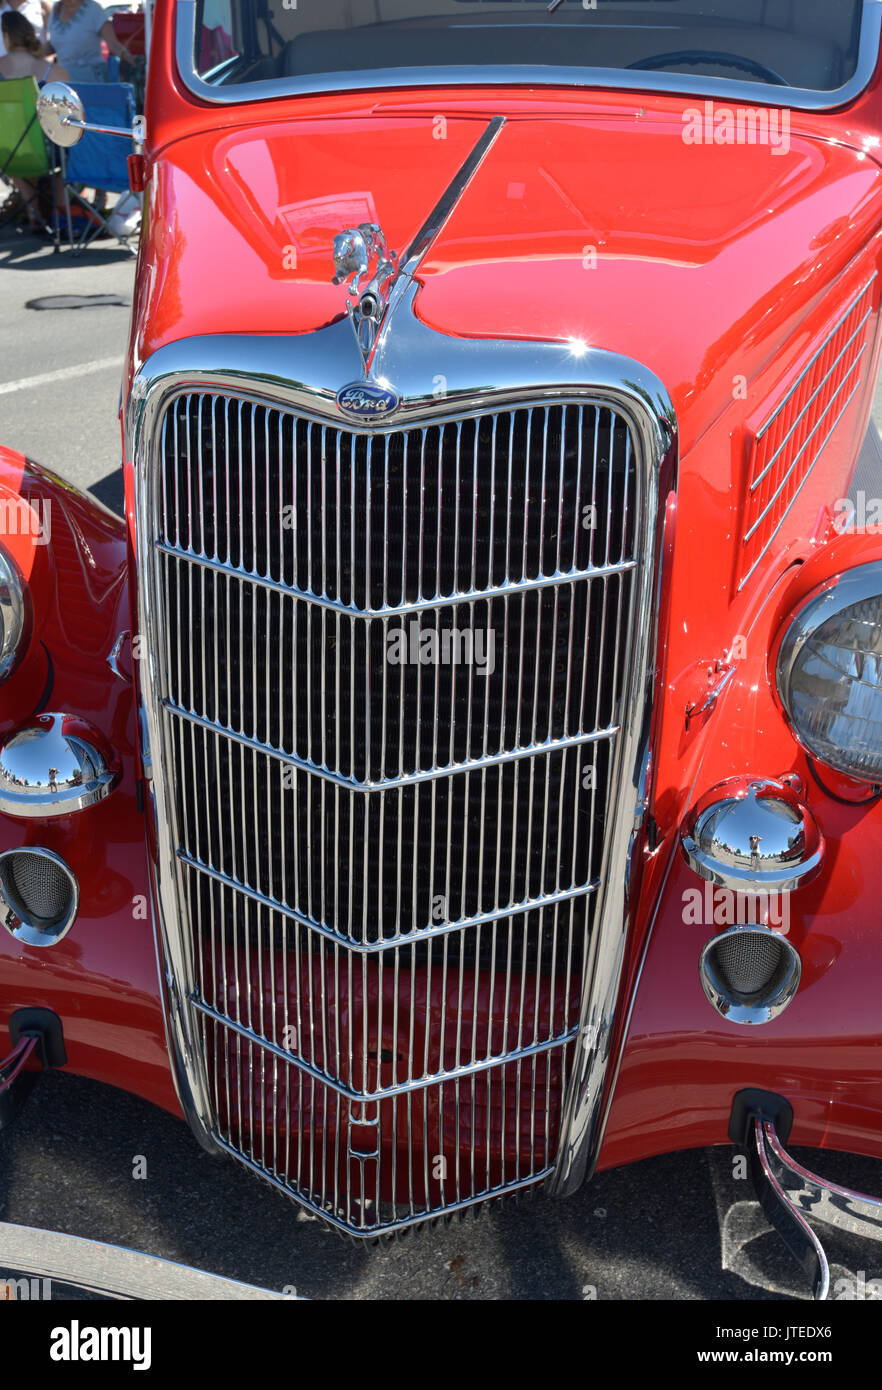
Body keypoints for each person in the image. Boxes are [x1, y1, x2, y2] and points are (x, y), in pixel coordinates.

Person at [0, 10, 68, 234]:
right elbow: (73, 118)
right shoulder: (54, 72)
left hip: (8, 154)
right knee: (63, 144)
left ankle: (33, 210)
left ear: (6, 37)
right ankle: (61, 211)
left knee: (14, 142)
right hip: (48, 153)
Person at [47, 0, 134, 83]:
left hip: (91, 79)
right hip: (63, 78)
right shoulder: (56, 8)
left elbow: (113, 44)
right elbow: (53, 45)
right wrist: (35, 50)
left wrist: (132, 60)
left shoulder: (93, 9)